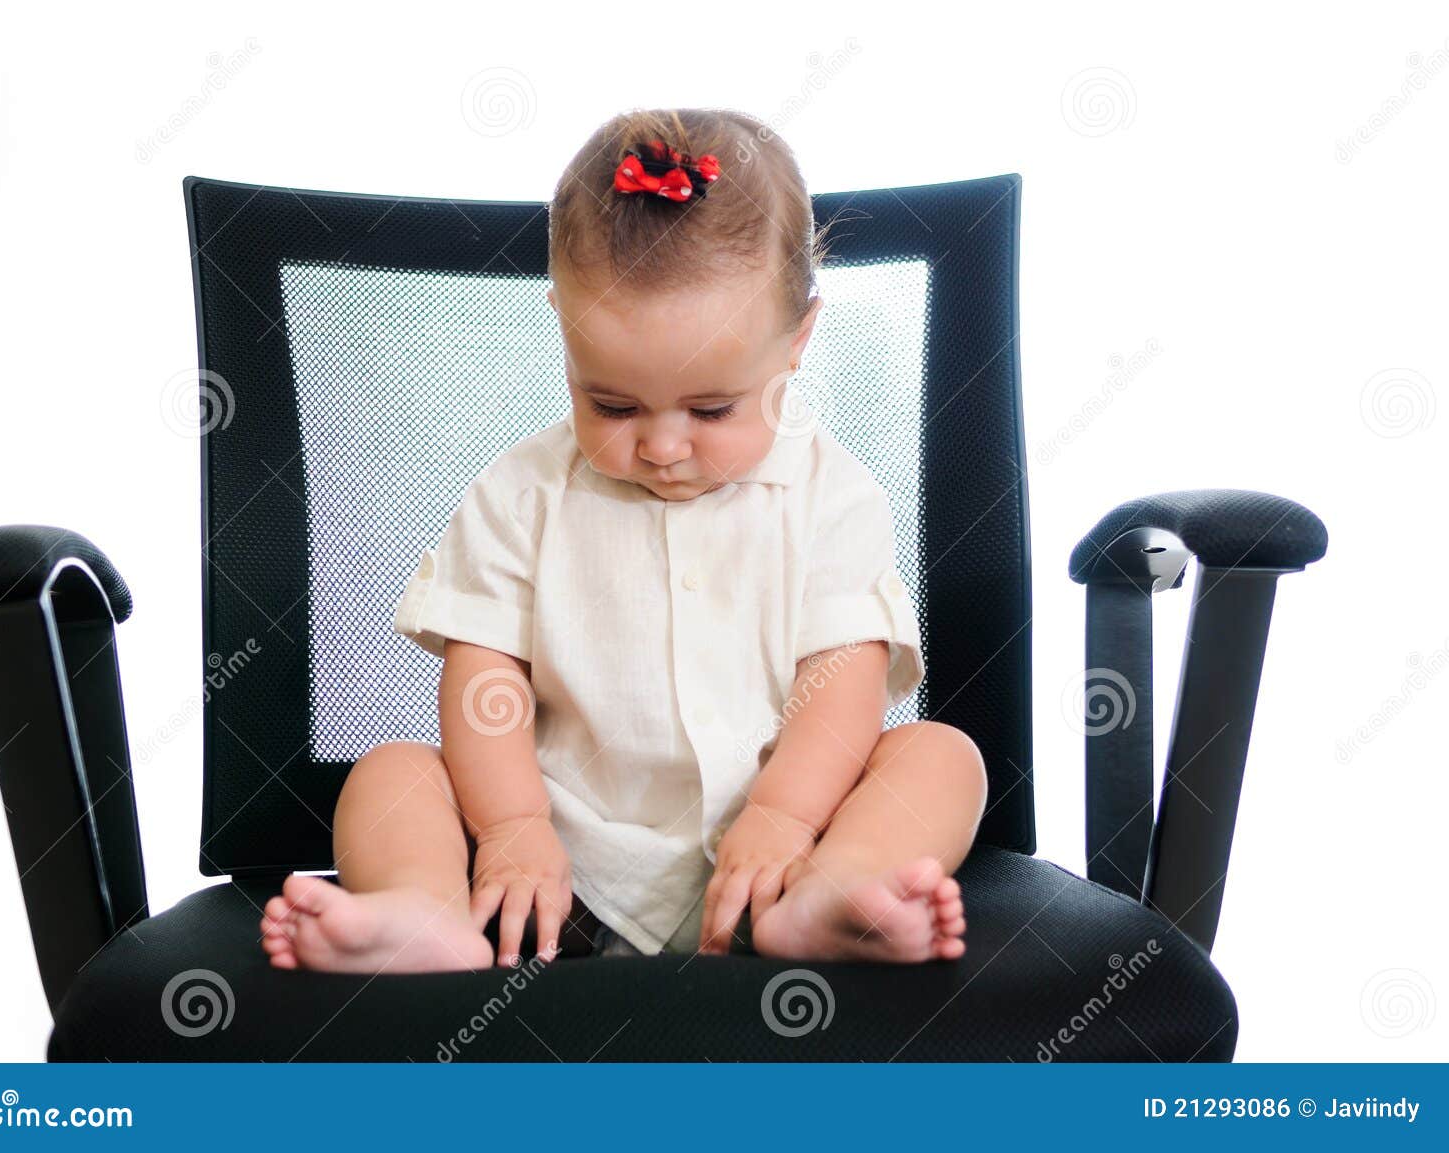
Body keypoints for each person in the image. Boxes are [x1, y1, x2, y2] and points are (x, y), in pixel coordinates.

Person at [260, 107, 986, 974]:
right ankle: (426, 908)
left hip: (770, 865)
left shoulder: (832, 494)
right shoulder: (522, 491)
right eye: (613, 405)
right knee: (392, 774)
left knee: (942, 757)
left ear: (797, 342)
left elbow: (843, 682)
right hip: (549, 885)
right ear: (563, 333)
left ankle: (839, 894)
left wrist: (787, 819)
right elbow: (484, 676)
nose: (663, 445)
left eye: (711, 409)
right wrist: (512, 826)